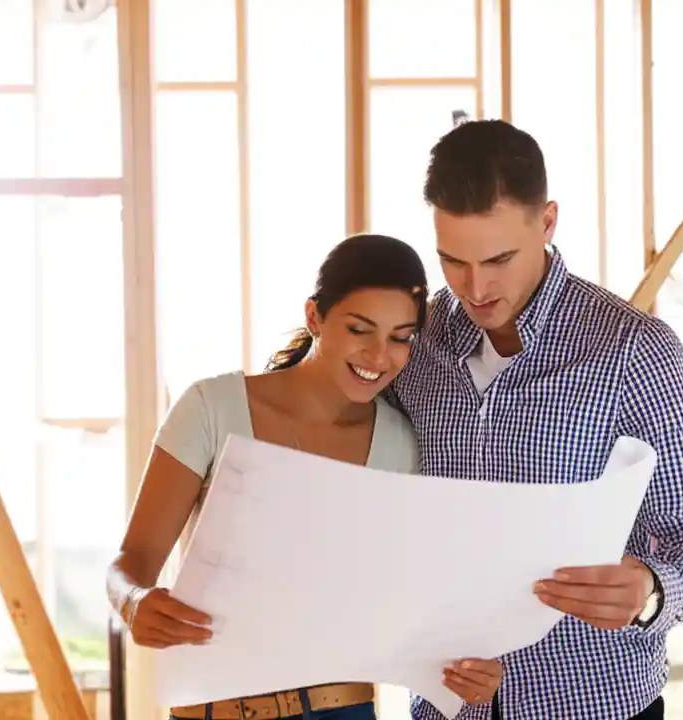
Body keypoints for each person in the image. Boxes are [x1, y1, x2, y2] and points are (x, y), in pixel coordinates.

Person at [388, 119, 683, 720]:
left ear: (547, 222)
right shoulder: (414, 344)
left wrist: (651, 593)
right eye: (452, 260)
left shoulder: (634, 350)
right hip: (448, 706)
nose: (476, 286)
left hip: (594, 707)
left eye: (499, 258)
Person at [106, 234, 503, 720]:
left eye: (400, 337)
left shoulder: (402, 442)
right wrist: (133, 601)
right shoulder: (211, 409)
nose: (380, 357)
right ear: (315, 317)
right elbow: (131, 562)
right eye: (360, 329)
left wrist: (469, 664)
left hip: (344, 709)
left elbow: (416, 598)